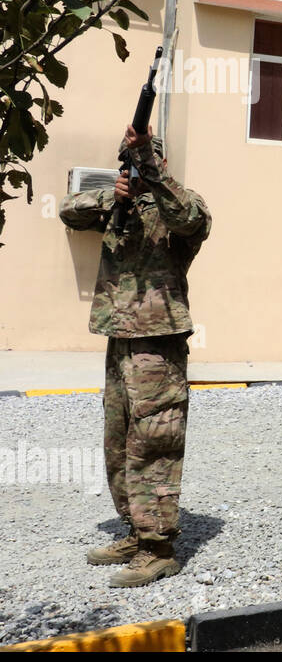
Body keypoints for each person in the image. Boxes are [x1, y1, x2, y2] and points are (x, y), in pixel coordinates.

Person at [59, 125, 211, 587]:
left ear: (160, 163)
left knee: (154, 443)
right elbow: (70, 210)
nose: (136, 169)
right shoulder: (117, 204)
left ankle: (159, 547)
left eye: (143, 161)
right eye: (128, 161)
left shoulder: (179, 205)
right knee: (118, 443)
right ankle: (134, 529)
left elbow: (191, 218)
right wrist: (116, 195)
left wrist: (149, 174)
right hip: (118, 336)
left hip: (157, 342)